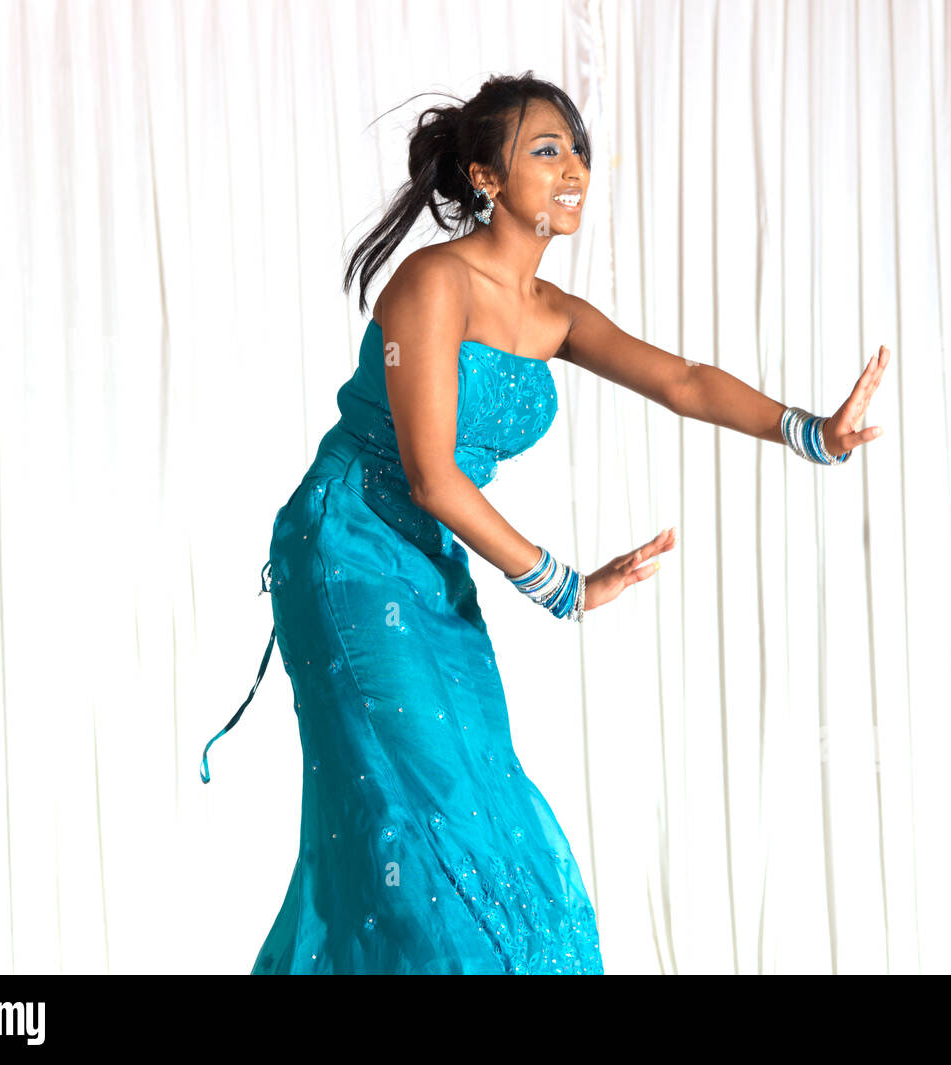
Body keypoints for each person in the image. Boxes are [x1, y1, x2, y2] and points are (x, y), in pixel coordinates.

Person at [199, 72, 888, 975]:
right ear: (487, 177)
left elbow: (680, 381)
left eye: (579, 150)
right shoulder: (431, 283)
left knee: (478, 799)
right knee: (415, 811)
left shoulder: (552, 313)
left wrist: (811, 432)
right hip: (346, 549)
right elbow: (431, 475)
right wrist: (562, 583)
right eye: (546, 150)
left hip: (429, 561)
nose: (574, 169)